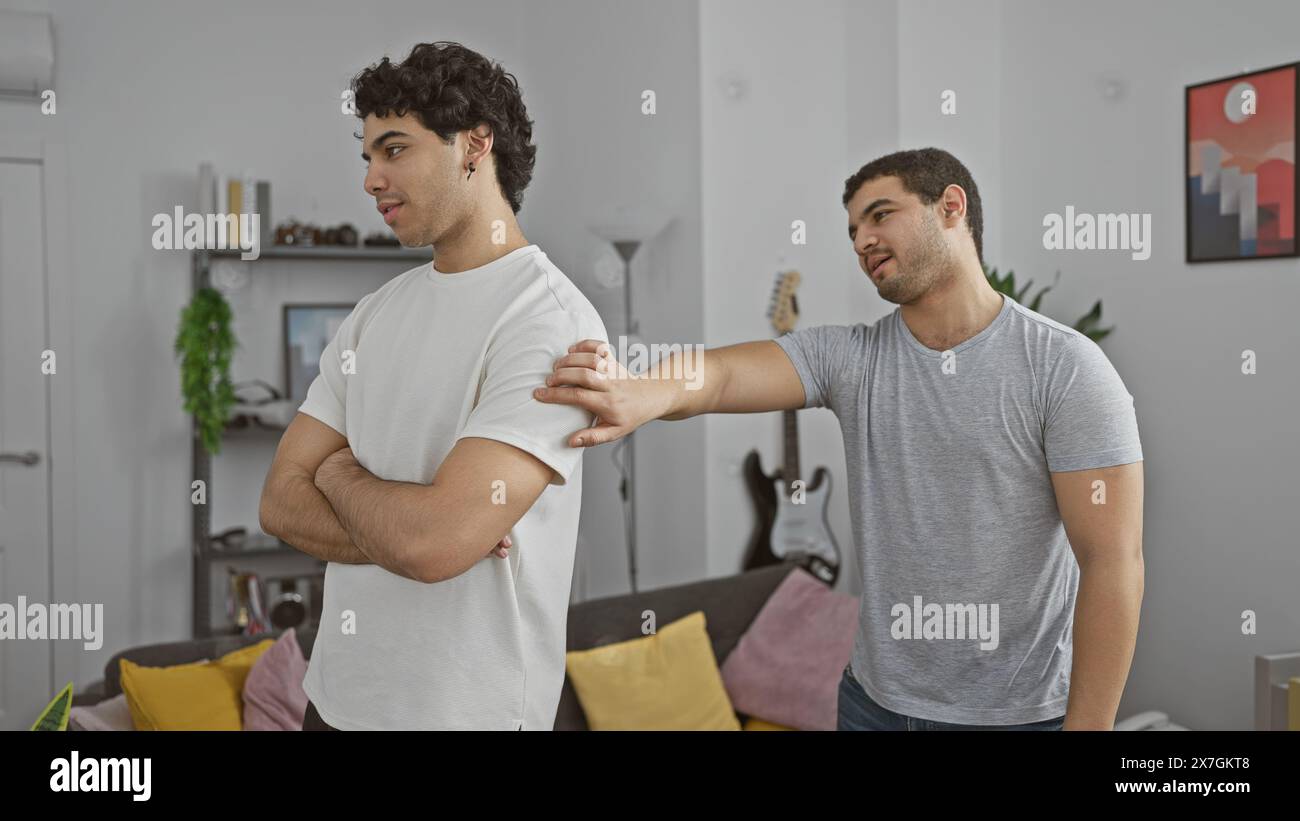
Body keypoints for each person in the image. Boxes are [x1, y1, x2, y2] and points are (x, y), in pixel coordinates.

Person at [536, 148, 1145, 731]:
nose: (861, 241)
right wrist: (643, 393)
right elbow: (716, 377)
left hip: (1016, 717)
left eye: (880, 215)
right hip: (872, 707)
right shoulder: (851, 358)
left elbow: (1113, 564)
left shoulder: (1065, 367)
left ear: (951, 208)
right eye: (852, 231)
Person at [259, 41, 606, 730]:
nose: (370, 180)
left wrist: (337, 471)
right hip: (332, 702)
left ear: (475, 145)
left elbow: (432, 544)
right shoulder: (373, 314)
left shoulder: (550, 320)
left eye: (394, 149)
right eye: (367, 156)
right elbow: (278, 502)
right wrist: (424, 532)